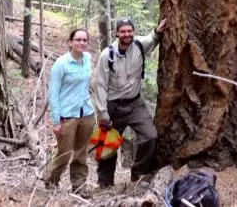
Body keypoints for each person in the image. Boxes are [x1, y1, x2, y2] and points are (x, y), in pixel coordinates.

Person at [93, 17, 166, 187]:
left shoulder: (139, 45)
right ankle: (104, 184)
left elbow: (153, 38)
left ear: (133, 32)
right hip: (113, 106)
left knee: (150, 136)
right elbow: (101, 85)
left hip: (135, 104)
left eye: (129, 31)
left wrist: (157, 31)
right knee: (107, 145)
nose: (127, 34)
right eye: (123, 31)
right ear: (117, 33)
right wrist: (103, 113)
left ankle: (138, 174)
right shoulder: (107, 54)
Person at [45, 28, 95, 196]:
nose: (81, 43)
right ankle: (51, 181)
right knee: (64, 155)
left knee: (81, 154)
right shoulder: (61, 64)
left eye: (84, 40)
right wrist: (56, 121)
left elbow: (87, 85)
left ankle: (79, 186)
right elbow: (53, 93)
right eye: (78, 40)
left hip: (86, 114)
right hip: (67, 117)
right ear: (70, 42)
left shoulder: (88, 59)